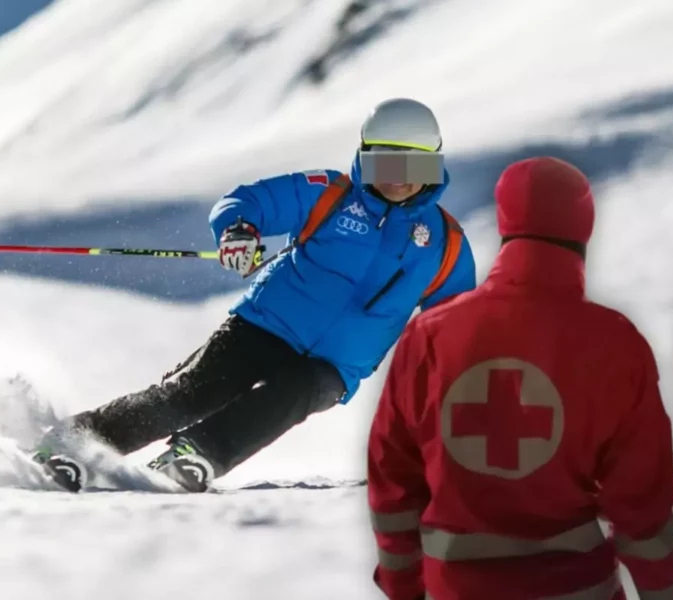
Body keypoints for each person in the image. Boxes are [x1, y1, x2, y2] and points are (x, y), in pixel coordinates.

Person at [31, 97, 477, 492]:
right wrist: (240, 230)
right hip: (266, 324)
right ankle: (72, 443)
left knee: (294, 396)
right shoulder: (331, 194)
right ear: (364, 157)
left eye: (413, 168)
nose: (398, 181)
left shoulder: (446, 244)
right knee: (191, 394)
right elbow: (249, 201)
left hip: (336, 365)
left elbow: (453, 327)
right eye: (385, 166)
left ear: (433, 168)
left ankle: (195, 456)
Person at [366, 157, 673, 600]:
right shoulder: (615, 343)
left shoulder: (429, 337)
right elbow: (642, 506)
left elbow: (392, 480)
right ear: (583, 229)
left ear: (505, 225)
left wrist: (404, 588)